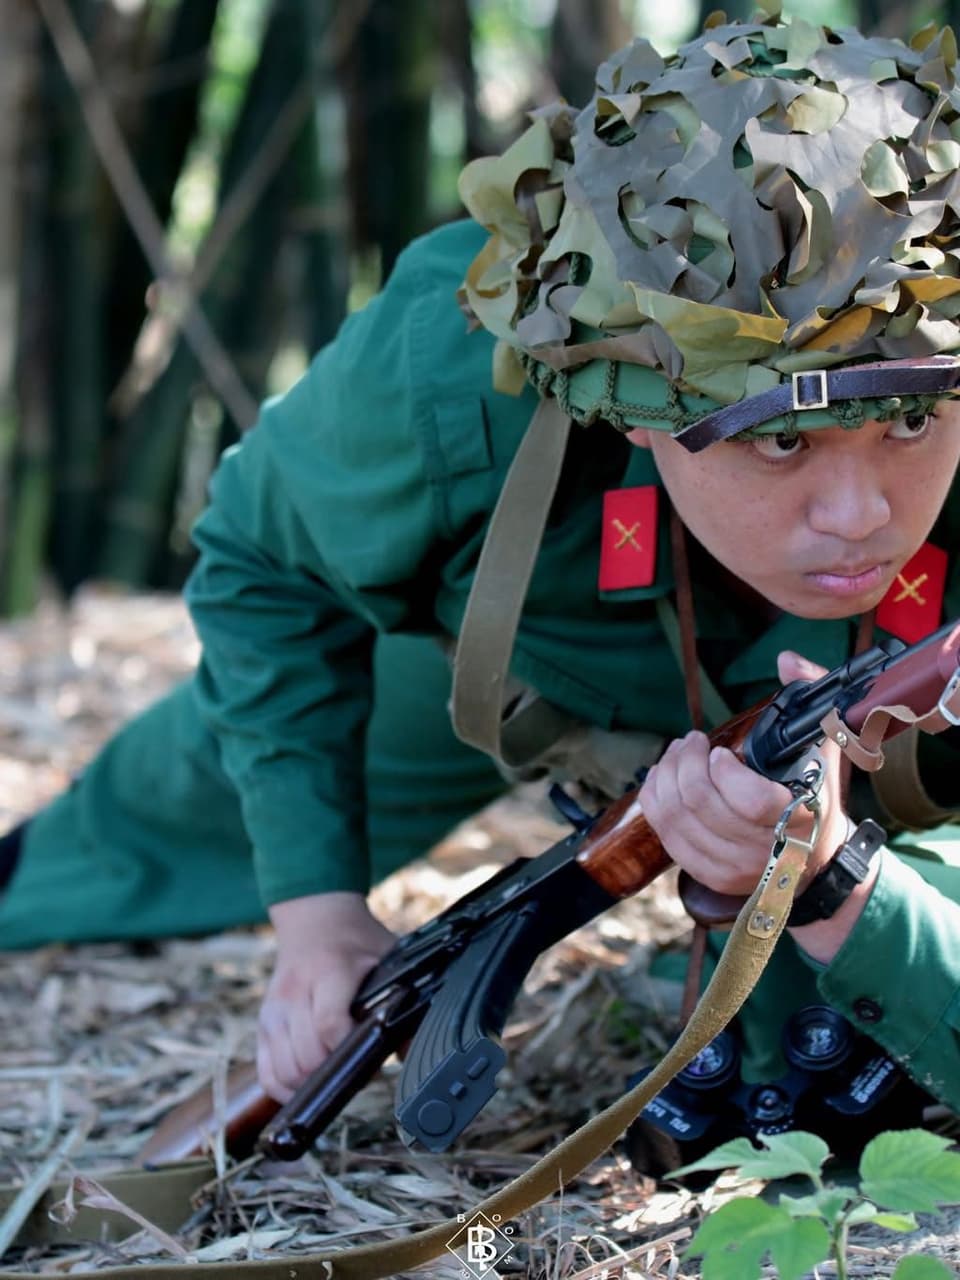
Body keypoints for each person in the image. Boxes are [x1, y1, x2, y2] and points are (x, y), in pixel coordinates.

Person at [2, 8, 960, 1145]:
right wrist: (315, 918)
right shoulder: (461, 362)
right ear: (635, 407)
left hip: (908, 679)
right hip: (548, 651)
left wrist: (842, 880)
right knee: (122, 849)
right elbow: (265, 562)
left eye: (912, 422)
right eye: (784, 440)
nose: (860, 515)